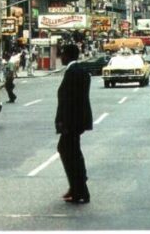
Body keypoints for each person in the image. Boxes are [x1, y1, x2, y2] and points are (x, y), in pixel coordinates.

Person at [55, 43, 92, 204]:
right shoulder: (79, 70)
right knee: (71, 152)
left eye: (62, 54)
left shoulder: (73, 73)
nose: (61, 57)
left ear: (68, 55)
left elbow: (70, 101)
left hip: (71, 122)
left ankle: (79, 189)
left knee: (70, 153)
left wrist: (64, 123)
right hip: (76, 121)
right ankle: (77, 187)